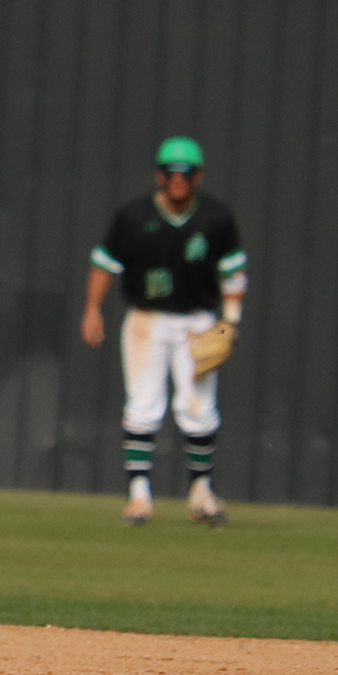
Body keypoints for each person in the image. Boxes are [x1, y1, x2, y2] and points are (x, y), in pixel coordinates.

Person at [80, 136, 247, 528]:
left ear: (198, 176)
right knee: (142, 407)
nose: (178, 179)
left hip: (198, 321)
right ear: (158, 175)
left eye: (185, 173)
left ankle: (201, 493)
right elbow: (104, 263)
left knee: (199, 410)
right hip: (147, 320)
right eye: (171, 172)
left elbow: (233, 272)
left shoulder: (216, 219)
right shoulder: (134, 216)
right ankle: (139, 497)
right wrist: (92, 308)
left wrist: (231, 322)